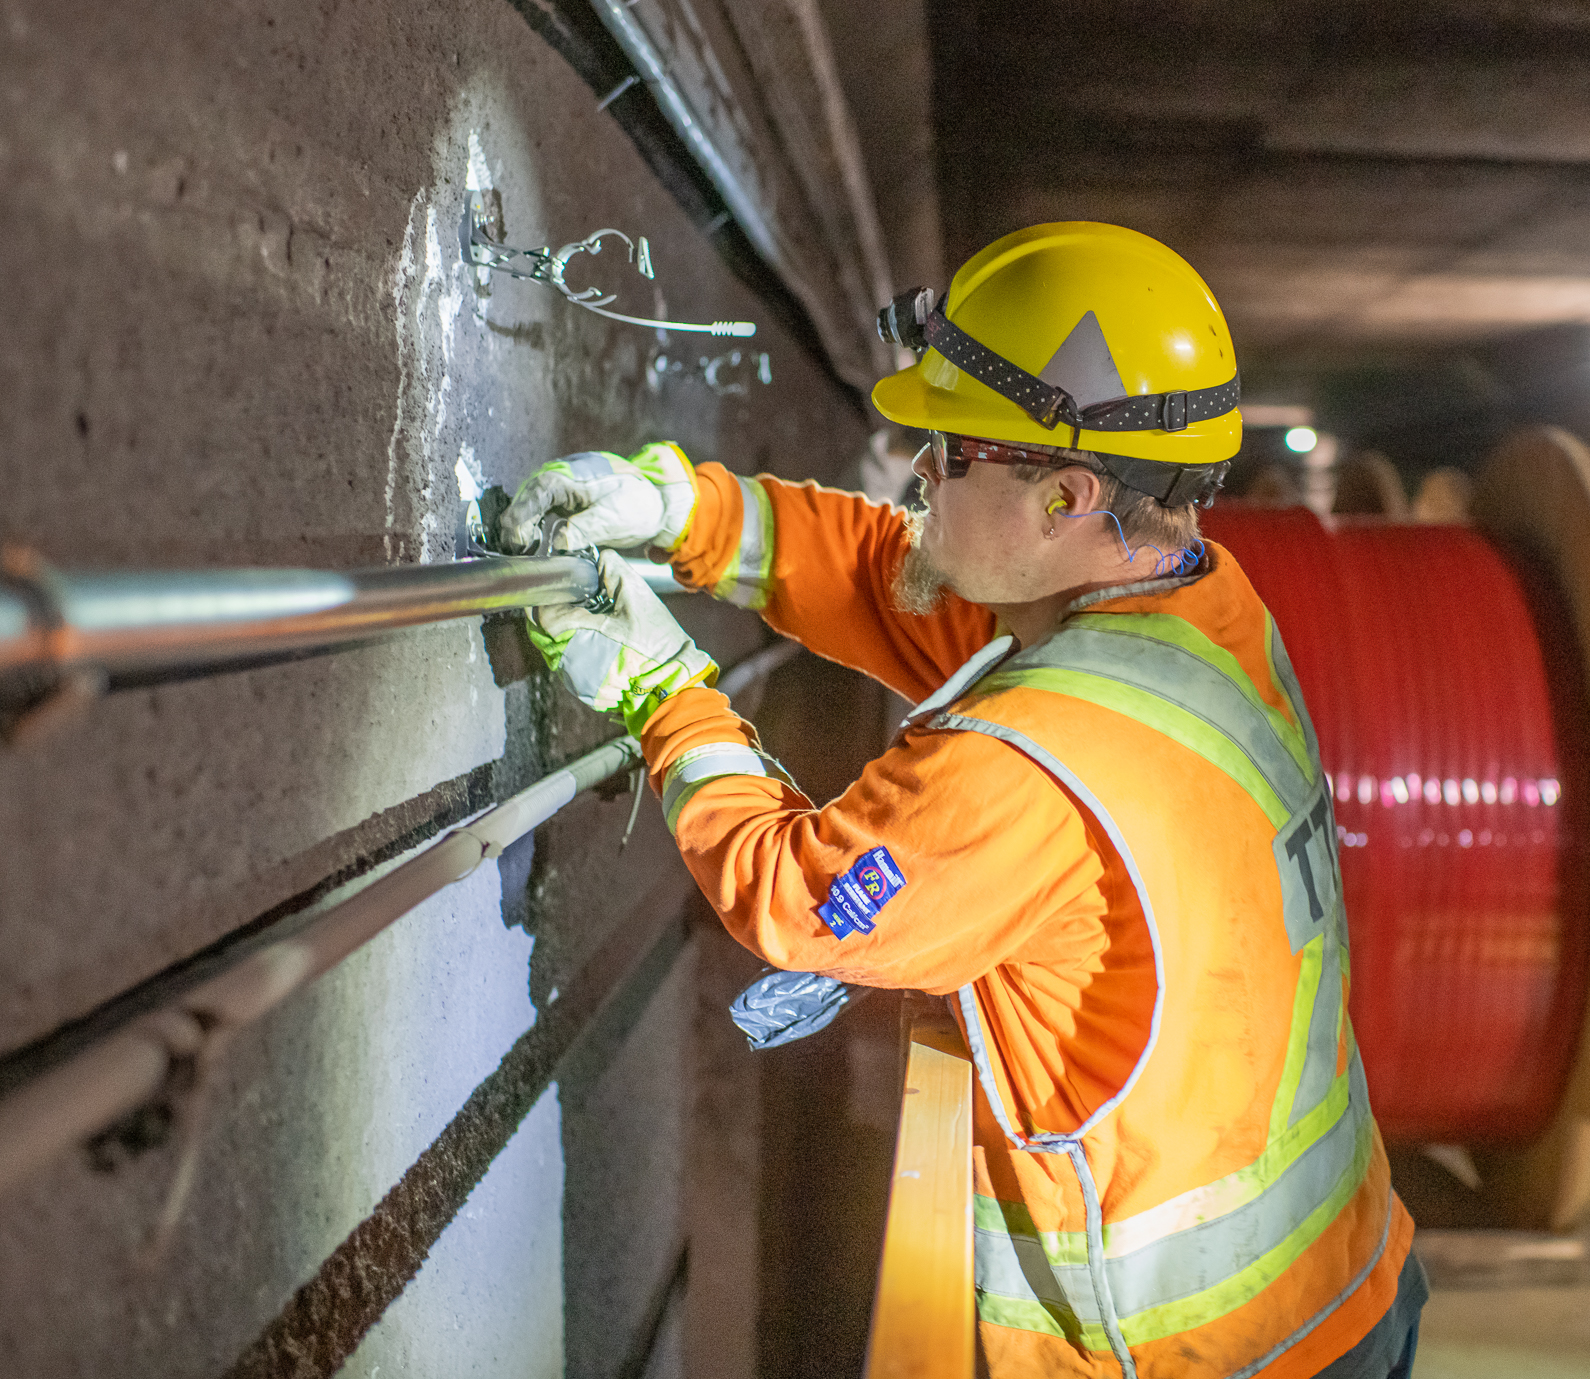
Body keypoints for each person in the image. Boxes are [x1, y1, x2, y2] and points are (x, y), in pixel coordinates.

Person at [499, 222, 1424, 1378]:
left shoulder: (1030, 761)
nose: (917, 467)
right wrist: (688, 513)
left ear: (1067, 495)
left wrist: (657, 688)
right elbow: (903, 582)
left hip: (1206, 1355)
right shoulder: (1198, 606)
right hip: (1351, 1276)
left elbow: (803, 901)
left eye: (949, 450)